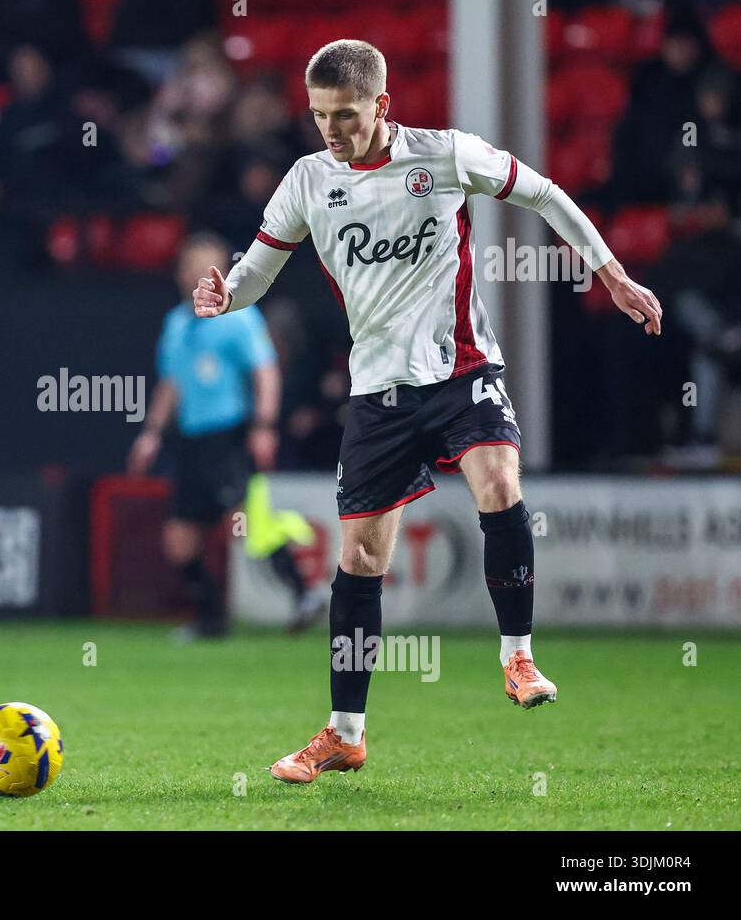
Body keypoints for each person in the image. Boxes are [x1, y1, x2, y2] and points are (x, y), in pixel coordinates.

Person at [192, 40, 663, 783]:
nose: (331, 131)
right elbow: (257, 270)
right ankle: (345, 733)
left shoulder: (443, 156)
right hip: (378, 393)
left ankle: (518, 659)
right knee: (359, 562)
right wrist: (226, 297)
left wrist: (611, 273)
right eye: (319, 117)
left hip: (462, 368)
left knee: (499, 485)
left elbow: (543, 192)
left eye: (344, 116)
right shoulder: (308, 181)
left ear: (381, 106)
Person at [128, 232, 329, 640]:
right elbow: (171, 382)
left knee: (242, 522)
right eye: (189, 266)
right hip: (189, 439)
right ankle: (209, 620)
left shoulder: (238, 315)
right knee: (179, 539)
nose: (195, 275)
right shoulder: (176, 322)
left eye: (205, 267)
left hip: (227, 435)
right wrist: (151, 433)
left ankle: (305, 592)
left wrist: (264, 426)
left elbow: (265, 371)